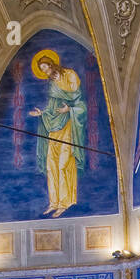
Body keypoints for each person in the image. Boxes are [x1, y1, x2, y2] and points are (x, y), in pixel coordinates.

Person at [28, 50, 87, 218]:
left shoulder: (69, 75)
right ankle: (54, 202)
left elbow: (80, 103)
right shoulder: (52, 83)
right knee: (50, 165)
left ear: (53, 64)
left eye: (46, 68)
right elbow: (53, 108)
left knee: (63, 165)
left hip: (69, 127)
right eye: (43, 70)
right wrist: (42, 113)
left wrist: (69, 109)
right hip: (54, 129)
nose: (46, 72)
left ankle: (65, 202)